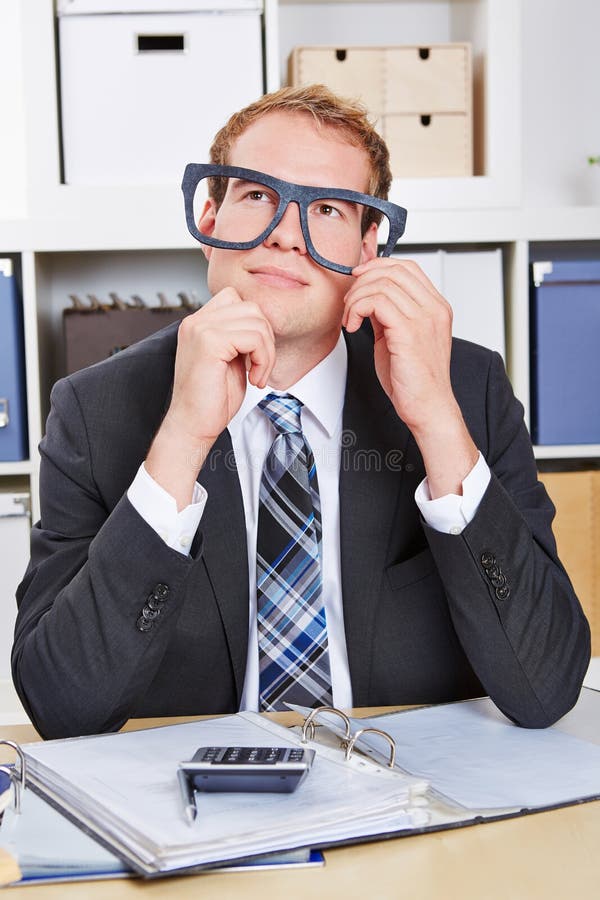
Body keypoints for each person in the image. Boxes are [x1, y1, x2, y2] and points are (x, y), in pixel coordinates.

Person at [13, 85, 590, 739]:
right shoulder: (95, 410)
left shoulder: (466, 387)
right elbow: (62, 708)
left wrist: (435, 420)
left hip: (413, 800)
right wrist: (181, 437)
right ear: (209, 218)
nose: (287, 235)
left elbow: (545, 687)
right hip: (201, 812)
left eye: (327, 209)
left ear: (369, 248)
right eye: (257, 195)